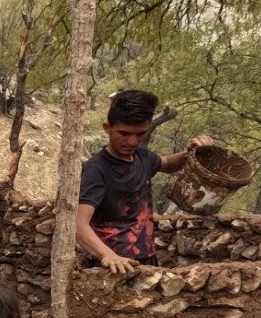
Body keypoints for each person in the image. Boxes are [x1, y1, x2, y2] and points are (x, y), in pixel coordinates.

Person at [77, 89, 214, 274]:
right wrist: (107, 255)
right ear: (107, 128)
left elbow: (167, 164)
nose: (132, 142)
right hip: (111, 266)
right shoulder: (96, 169)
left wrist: (191, 152)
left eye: (140, 134)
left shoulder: (141, 155)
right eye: (124, 133)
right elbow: (79, 224)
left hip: (146, 257)